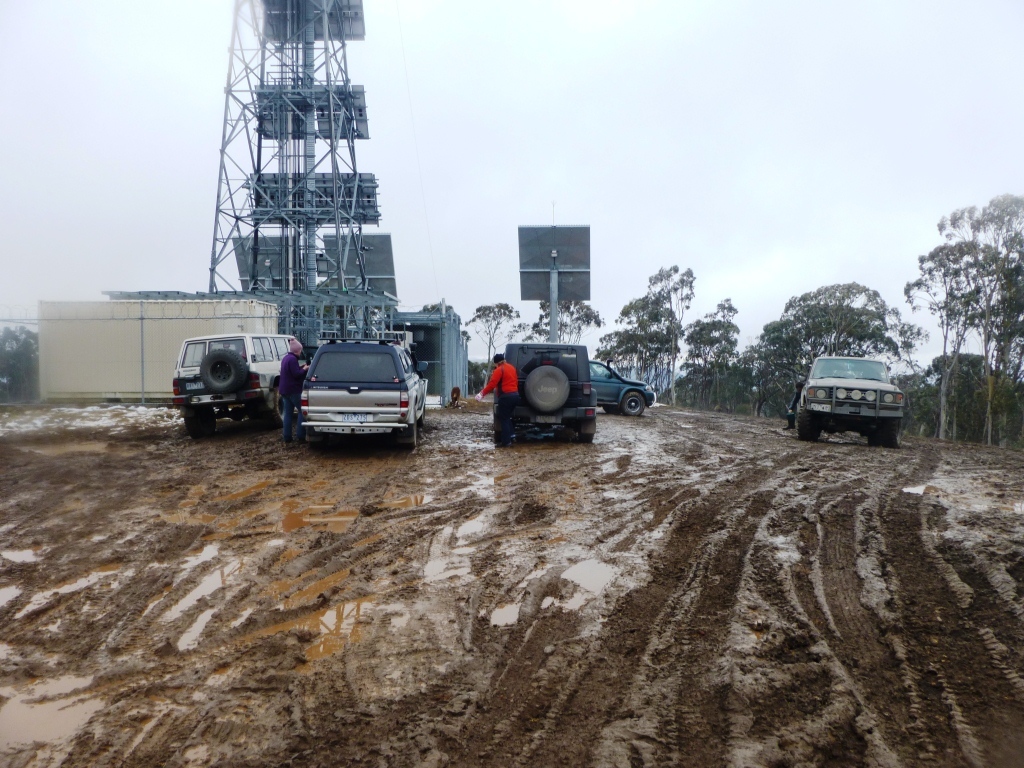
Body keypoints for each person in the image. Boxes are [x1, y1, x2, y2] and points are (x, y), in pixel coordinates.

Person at [475, 353, 520, 447]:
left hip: (506, 397)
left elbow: (492, 384)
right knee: (507, 417)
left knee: (503, 419)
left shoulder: (499, 370)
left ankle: (506, 442)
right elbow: (516, 381)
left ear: (496, 363)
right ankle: (512, 436)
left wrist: (481, 394)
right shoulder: (512, 368)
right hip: (515, 396)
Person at [279, 338, 308, 443]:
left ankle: (287, 437)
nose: (301, 352)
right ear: (297, 350)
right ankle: (300, 435)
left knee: (288, 413)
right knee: (301, 411)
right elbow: (296, 374)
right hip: (294, 390)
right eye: (300, 350)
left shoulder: (286, 358)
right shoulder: (293, 359)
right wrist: (305, 369)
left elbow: (291, 371)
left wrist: (300, 367)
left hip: (284, 390)